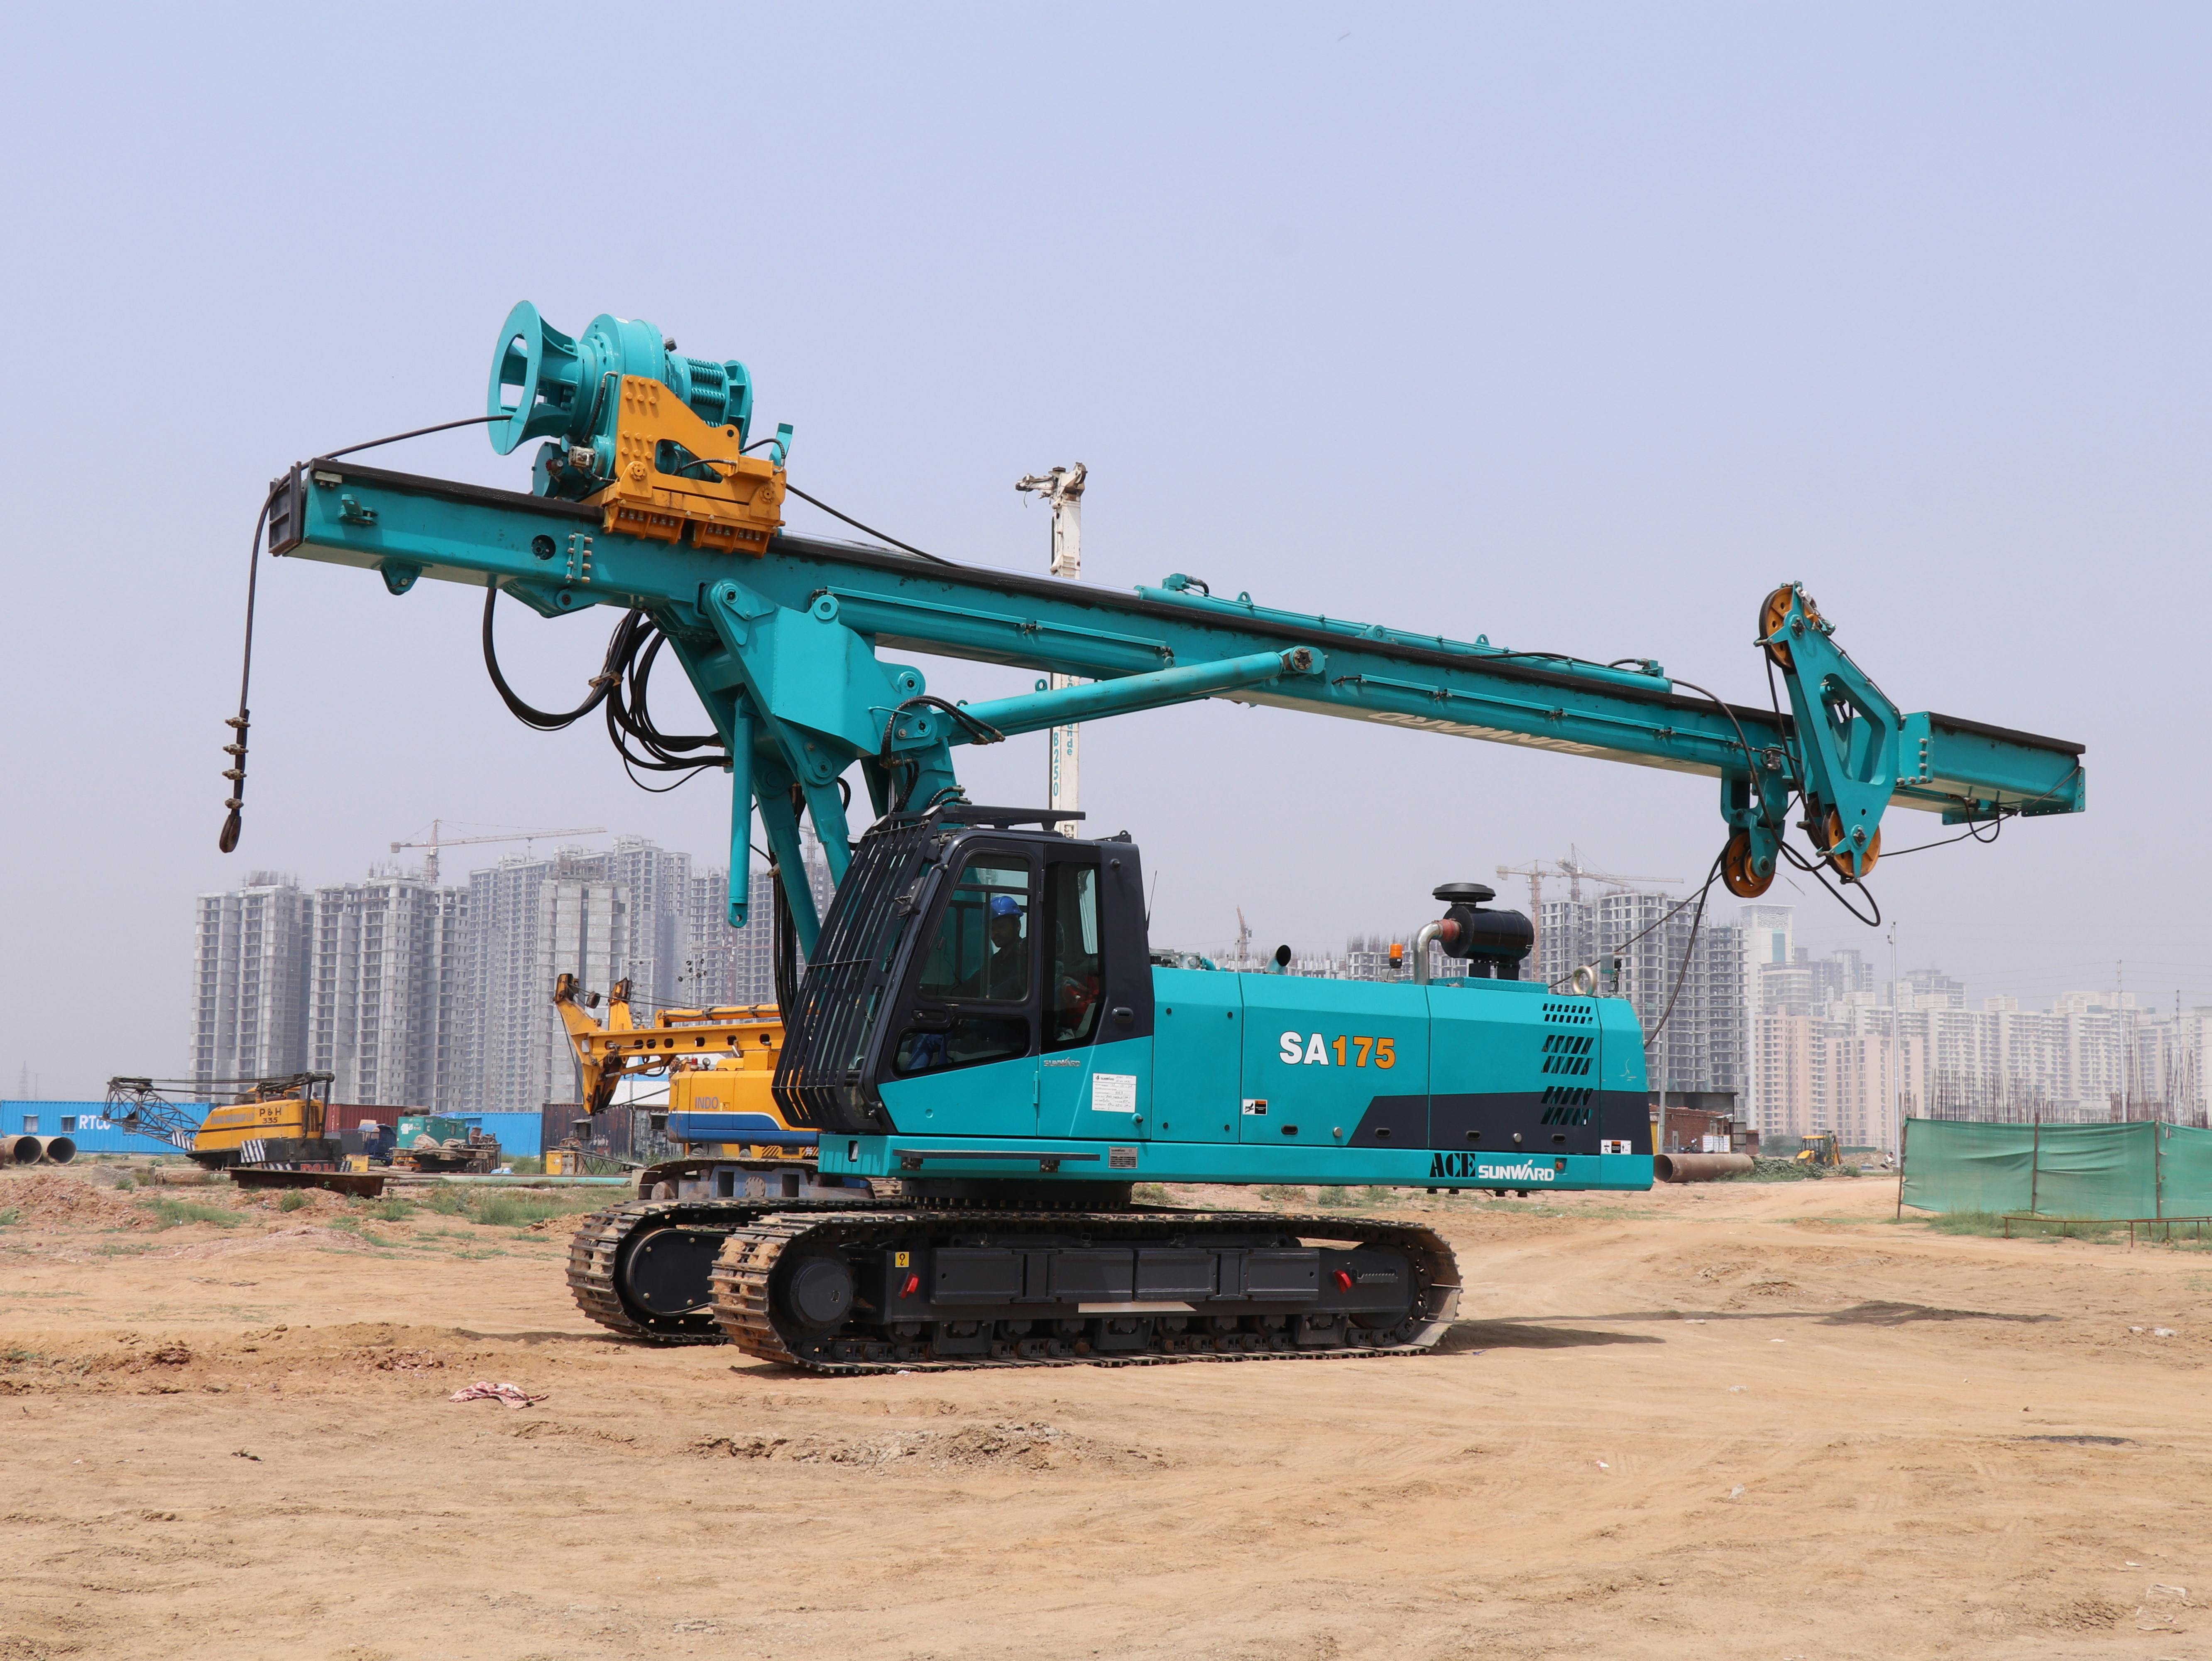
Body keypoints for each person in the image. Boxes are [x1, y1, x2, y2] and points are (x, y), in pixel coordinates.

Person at [986, 892, 1029, 1000]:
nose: (996, 933)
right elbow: (973, 985)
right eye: (992, 928)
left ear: (1018, 926)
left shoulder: (1027, 956)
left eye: (1001, 927)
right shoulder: (996, 960)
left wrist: (989, 999)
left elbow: (1013, 987)